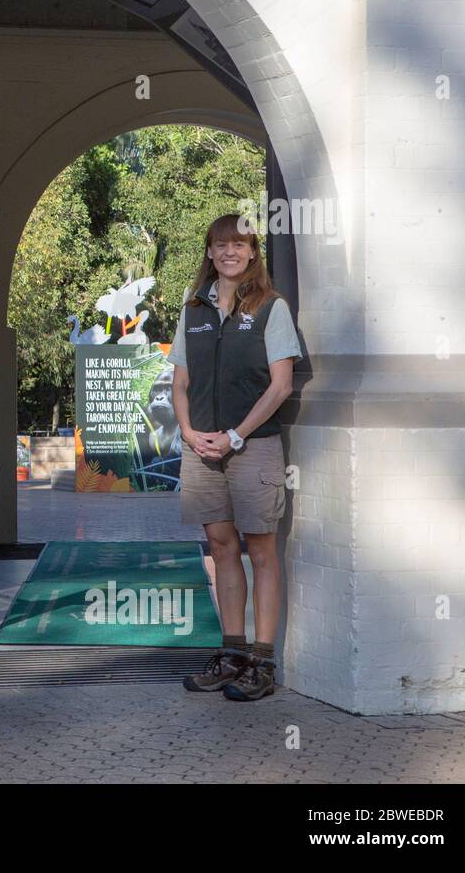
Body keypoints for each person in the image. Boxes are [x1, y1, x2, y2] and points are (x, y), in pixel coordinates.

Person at [168, 213, 302, 701]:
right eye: (220, 244)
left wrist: (236, 436)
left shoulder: (271, 307)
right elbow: (180, 383)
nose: (229, 252)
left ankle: (262, 664)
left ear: (252, 253)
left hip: (253, 447)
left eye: (239, 245)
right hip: (201, 449)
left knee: (261, 551)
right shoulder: (193, 311)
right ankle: (232, 654)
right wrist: (188, 431)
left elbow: (281, 385)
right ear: (209, 251)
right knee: (221, 549)